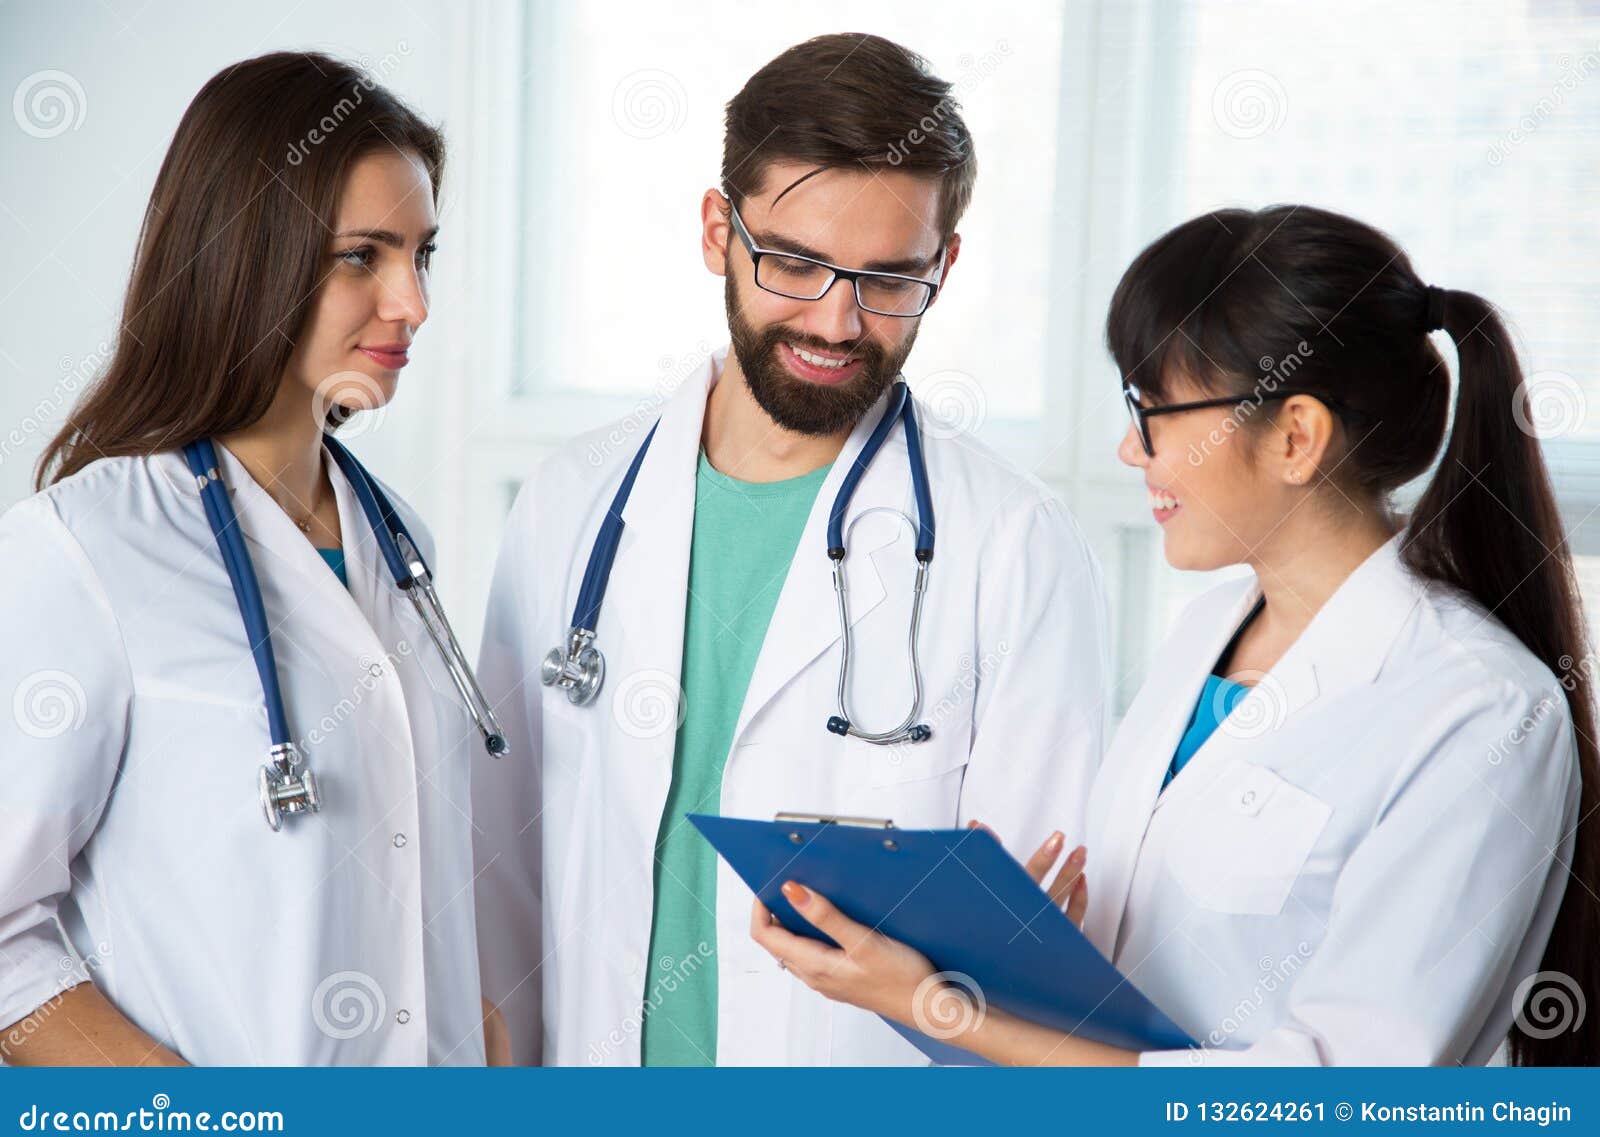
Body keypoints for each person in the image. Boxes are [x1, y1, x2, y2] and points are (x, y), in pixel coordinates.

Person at [751, 204, 1597, 1067]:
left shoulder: (1481, 710)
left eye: (1154, 409)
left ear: (1296, 436)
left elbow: (1338, 1098)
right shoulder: (1207, 632)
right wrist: (1023, 955)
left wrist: (939, 1009)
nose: (1129, 448)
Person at [472, 33, 1111, 1066]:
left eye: (888, 279)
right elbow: (498, 868)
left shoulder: (1014, 544)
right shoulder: (570, 502)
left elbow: (1032, 958)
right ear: (719, 228)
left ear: (943, 264)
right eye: (797, 262)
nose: (836, 318)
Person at [0, 52, 507, 1066]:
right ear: (246, 254)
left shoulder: (399, 539)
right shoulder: (87, 548)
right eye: (364, 255)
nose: (412, 303)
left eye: (423, 254)